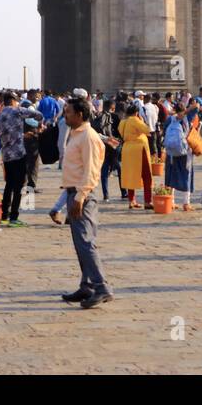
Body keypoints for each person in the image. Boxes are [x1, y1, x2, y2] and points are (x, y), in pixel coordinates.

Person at [59, 96, 113, 309]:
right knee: (80, 244)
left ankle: (101, 287)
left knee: (86, 243)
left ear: (79, 115)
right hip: (73, 193)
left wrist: (80, 197)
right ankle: (87, 286)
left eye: (68, 112)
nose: (65, 115)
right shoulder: (76, 134)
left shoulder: (88, 137)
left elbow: (91, 170)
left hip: (83, 196)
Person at [0, 92, 43, 226]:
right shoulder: (17, 111)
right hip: (18, 154)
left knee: (8, 185)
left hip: (6, 155)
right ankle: (14, 217)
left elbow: (8, 133)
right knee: (19, 187)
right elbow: (38, 115)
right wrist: (39, 126)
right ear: (13, 101)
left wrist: (20, 135)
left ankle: (4, 216)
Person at [118, 103, 154, 210]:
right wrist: (141, 120)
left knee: (130, 175)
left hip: (127, 149)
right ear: (136, 112)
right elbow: (147, 130)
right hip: (138, 149)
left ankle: (131, 200)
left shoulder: (123, 122)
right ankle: (147, 201)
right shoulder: (135, 120)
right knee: (147, 176)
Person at [162, 102, 195, 210]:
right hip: (185, 153)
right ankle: (186, 203)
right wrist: (189, 109)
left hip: (171, 153)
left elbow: (164, 131)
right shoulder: (187, 118)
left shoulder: (169, 119)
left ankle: (171, 201)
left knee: (171, 175)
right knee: (186, 175)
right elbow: (196, 108)